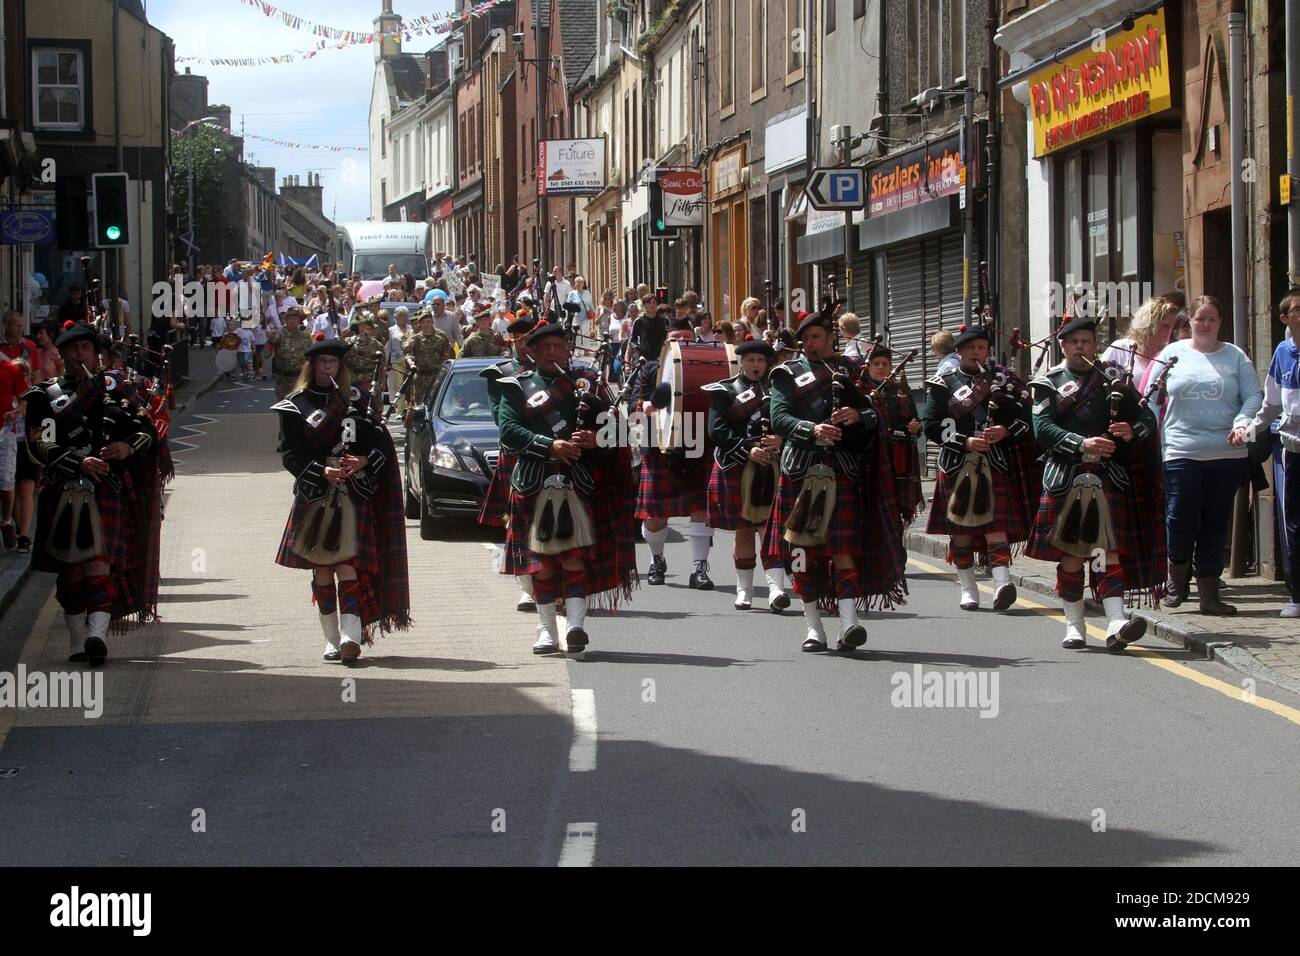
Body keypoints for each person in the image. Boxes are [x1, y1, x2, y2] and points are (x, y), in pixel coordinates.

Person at [766, 305, 907, 652]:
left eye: (816, 337)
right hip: (803, 469)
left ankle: (849, 624)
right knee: (802, 554)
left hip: (843, 469)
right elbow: (779, 417)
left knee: (843, 550)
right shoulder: (787, 372)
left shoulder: (852, 370)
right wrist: (812, 429)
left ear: (831, 337)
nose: (810, 343)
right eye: (805, 338)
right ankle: (814, 628)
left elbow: (877, 416)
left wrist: (858, 415)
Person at [23, 322, 165, 664]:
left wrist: (126, 449)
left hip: (106, 489)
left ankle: (96, 636)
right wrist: (77, 461)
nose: (78, 355)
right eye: (71, 349)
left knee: (99, 564)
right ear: (60, 354)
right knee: (70, 573)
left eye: (85, 349)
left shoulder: (117, 391)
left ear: (96, 353)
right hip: (64, 488)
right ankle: (76, 639)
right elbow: (39, 443)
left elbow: (147, 429)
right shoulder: (45, 397)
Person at [495, 321, 636, 655]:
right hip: (534, 481)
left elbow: (618, 432)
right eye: (544, 347)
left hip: (577, 481)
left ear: (568, 349)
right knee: (540, 563)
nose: (551, 352)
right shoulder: (517, 386)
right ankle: (547, 632)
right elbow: (509, 431)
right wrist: (550, 445)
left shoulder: (587, 385)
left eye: (558, 346)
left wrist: (595, 439)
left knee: (575, 559)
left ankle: (575, 627)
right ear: (532, 351)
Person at [1026, 314, 1166, 650]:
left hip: (1107, 476)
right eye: (1073, 342)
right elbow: (1041, 429)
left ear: (1095, 345)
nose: (1080, 347)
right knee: (1073, 556)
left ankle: (1116, 623)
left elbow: (1146, 415)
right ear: (1063, 346)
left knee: (1107, 552)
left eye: (1086, 341)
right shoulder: (1047, 382)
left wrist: (1134, 431)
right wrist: (1080, 443)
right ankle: (1075, 627)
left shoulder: (1113, 378)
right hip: (1066, 476)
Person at [273, 335, 411, 663]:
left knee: (348, 564)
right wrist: (321, 470)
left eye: (333, 362)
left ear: (340, 366)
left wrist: (364, 461)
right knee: (322, 570)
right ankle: (331, 640)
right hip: (316, 493)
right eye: (321, 363)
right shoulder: (296, 404)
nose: (327, 367)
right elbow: (289, 454)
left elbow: (380, 442)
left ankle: (351, 636)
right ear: (312, 366)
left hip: (353, 493)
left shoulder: (357, 401)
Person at [1154, 295, 1263, 615]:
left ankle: (1209, 595)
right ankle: (1176, 584)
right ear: (1189, 321)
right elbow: (1149, 397)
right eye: (1200, 319)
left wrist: (1243, 423)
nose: (1205, 325)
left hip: (1226, 454)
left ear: (1220, 323)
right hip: (1180, 450)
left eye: (1211, 319)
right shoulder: (1172, 354)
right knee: (1180, 518)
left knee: (1215, 524)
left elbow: (1253, 396)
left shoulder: (1235, 356)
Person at [922, 321, 1040, 611]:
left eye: (982, 348)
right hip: (956, 464)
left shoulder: (1002, 381)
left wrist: (1005, 431)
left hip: (993, 462)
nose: (978, 352)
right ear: (960, 351)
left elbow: (1025, 418)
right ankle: (968, 588)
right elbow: (932, 426)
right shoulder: (942, 383)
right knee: (961, 533)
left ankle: (1002, 584)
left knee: (995, 527)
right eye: (972, 347)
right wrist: (964, 442)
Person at [703, 339, 790, 611]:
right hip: (736, 465)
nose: (756, 365)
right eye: (751, 360)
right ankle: (745, 589)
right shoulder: (724, 391)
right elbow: (717, 431)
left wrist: (782, 439)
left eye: (761, 361)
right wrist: (747, 448)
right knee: (743, 530)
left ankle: (776, 589)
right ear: (741, 361)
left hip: (770, 464)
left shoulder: (779, 390)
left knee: (770, 529)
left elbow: (788, 420)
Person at [635, 314, 715, 588]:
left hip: (696, 443)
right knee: (656, 516)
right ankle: (657, 560)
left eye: (686, 338)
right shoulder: (650, 370)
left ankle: (699, 568)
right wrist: (645, 406)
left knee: (700, 509)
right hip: (659, 446)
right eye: (675, 339)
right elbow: (636, 402)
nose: (681, 342)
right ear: (666, 343)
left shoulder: (707, 367)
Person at [1249, 290, 1300, 618]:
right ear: (1285, 319)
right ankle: (1297, 596)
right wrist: (1251, 430)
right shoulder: (1283, 352)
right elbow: (1270, 404)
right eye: (1297, 309)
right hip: (1293, 450)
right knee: (1293, 523)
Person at [859, 338, 924, 531]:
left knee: (894, 517)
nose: (880, 367)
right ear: (868, 366)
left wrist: (916, 428)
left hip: (899, 462)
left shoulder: (901, 390)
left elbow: (916, 422)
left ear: (891, 367)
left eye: (885, 364)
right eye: (876, 363)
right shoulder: (861, 392)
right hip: (869, 459)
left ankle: (895, 552)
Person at [1102, 296, 1180, 386]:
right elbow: (1101, 380)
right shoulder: (1120, 349)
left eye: (1173, 327)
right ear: (1151, 324)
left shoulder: (1168, 353)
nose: (1170, 331)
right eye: (1166, 326)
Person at [402, 310, 453, 405]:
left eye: (428, 322)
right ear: (419, 324)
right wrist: (409, 346)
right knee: (419, 404)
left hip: (436, 376)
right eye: (423, 322)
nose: (426, 325)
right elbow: (405, 350)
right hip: (420, 377)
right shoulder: (415, 338)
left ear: (432, 322)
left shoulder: (440, 339)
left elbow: (446, 357)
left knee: (435, 402)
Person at [272, 308, 311, 400]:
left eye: (295, 319)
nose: (292, 321)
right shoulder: (279, 335)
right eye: (290, 319)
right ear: (285, 320)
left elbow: (310, 356)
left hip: (300, 378)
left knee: (300, 404)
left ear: (298, 320)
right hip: (283, 379)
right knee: (284, 406)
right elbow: (268, 351)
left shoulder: (305, 336)